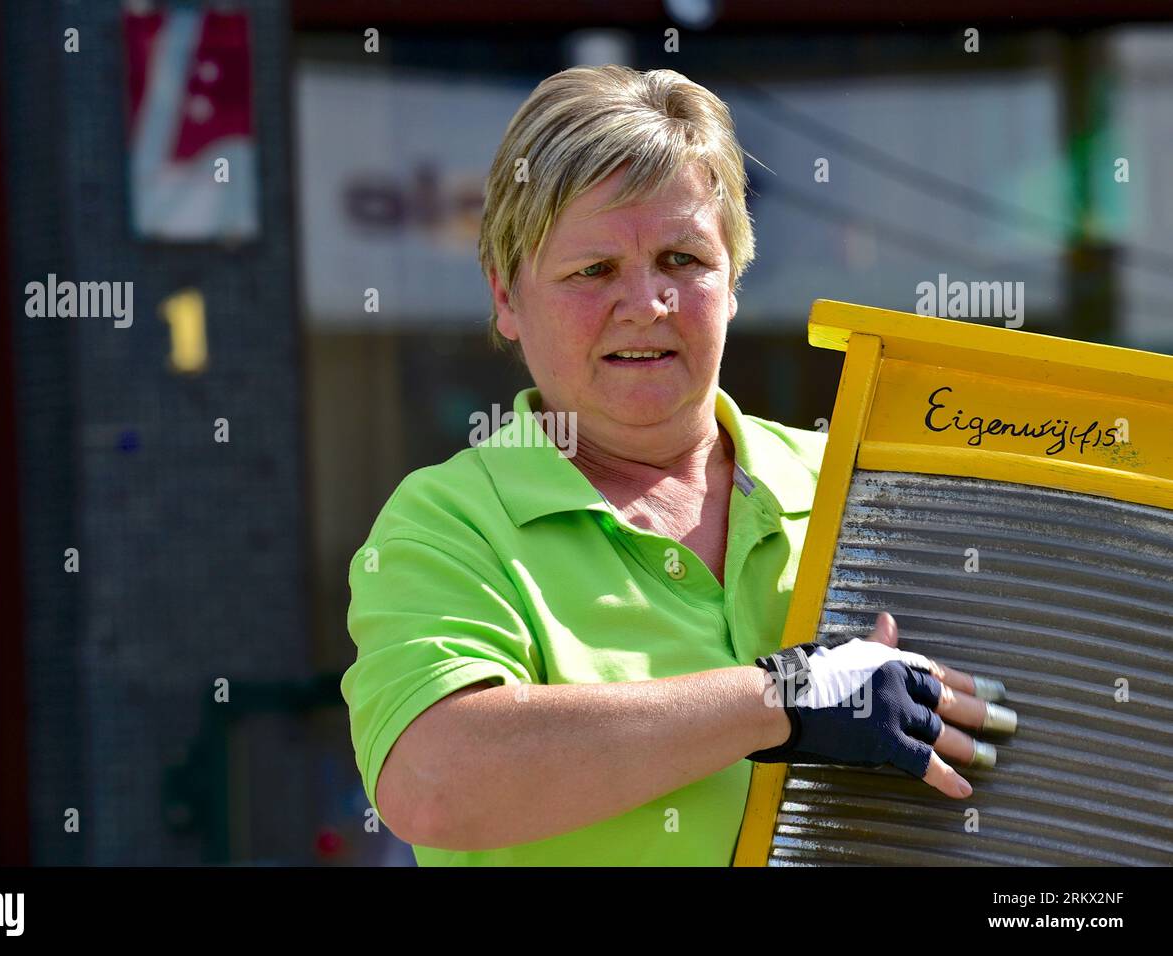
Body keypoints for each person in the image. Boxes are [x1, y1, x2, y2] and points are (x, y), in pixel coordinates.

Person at [341, 64, 1017, 866]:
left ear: (734, 277)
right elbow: (433, 782)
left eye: (682, 259)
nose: (646, 303)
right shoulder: (449, 524)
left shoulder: (868, 487)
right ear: (506, 298)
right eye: (592, 271)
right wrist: (782, 699)